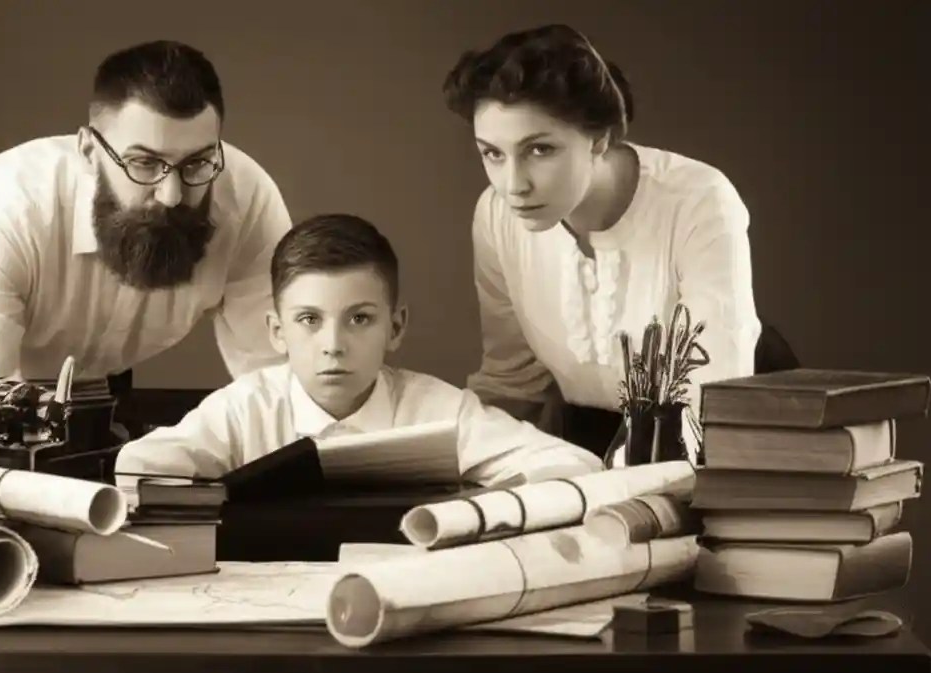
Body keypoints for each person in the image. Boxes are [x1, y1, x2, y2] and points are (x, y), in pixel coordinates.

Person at [113, 213, 604, 497]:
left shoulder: (437, 411)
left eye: (360, 318)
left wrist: (487, 504)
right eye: (309, 320)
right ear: (277, 332)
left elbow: (574, 466)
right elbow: (138, 466)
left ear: (395, 327)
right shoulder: (246, 408)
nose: (333, 344)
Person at [443, 24, 762, 456]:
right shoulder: (497, 215)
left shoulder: (699, 200)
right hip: (582, 448)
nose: (513, 184)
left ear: (600, 139)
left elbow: (714, 398)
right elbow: (512, 386)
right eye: (493, 154)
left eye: (540, 150)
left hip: (723, 442)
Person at [0, 40, 291, 385]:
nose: (172, 196)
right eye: (143, 162)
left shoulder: (245, 198)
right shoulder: (8, 203)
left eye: (196, 163)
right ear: (90, 152)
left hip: (92, 395)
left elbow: (274, 375)